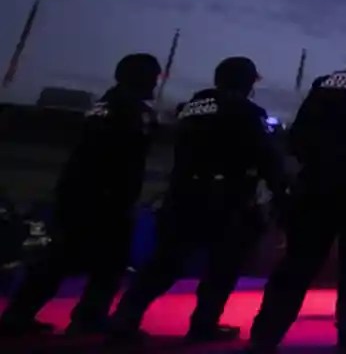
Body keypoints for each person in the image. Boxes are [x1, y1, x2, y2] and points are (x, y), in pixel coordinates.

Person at [246, 32, 346, 354]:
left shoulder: (324, 85)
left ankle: (265, 335)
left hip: (316, 186)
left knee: (297, 264)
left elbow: (298, 136)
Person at [108, 57, 287, 344]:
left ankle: (125, 317)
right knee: (223, 266)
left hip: (182, 194)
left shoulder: (189, 108)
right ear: (245, 81)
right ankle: (203, 325)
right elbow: (266, 156)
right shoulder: (247, 111)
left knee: (164, 263)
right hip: (225, 198)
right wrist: (282, 192)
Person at [0, 53, 162, 337]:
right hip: (105, 197)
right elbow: (123, 157)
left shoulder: (104, 105)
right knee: (105, 264)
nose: (155, 82)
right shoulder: (132, 110)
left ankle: (20, 314)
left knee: (61, 260)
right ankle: (87, 318)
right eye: (152, 75)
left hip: (79, 192)